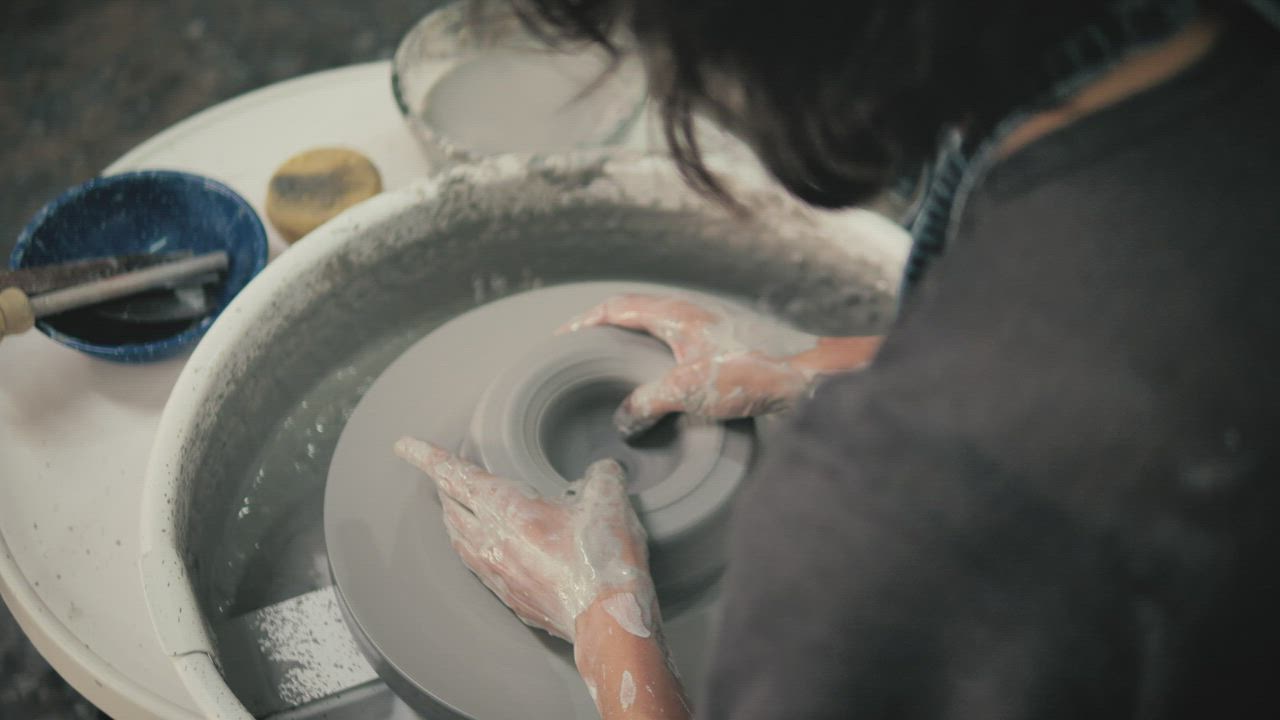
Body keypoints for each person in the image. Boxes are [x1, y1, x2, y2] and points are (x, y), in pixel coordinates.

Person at [394, 0, 1280, 717]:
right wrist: (811, 360)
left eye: (666, 44)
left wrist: (605, 625)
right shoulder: (1226, 64)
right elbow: (1116, 355)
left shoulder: (874, 512)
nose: (675, 86)